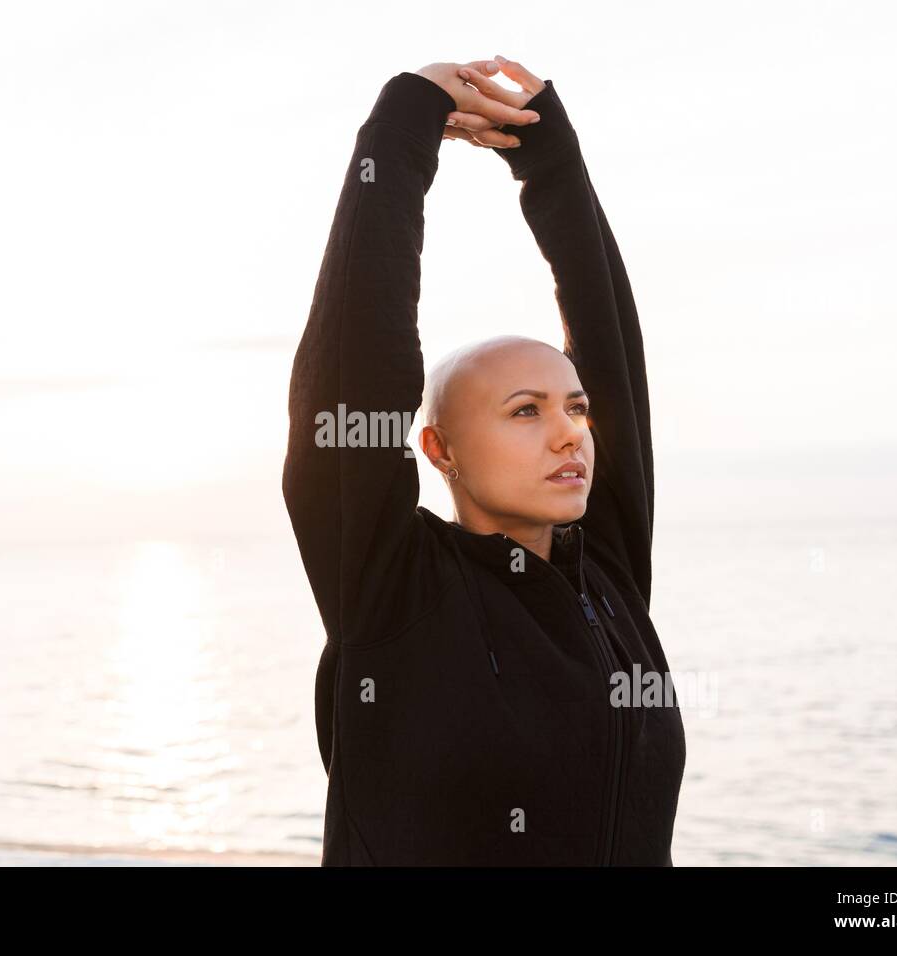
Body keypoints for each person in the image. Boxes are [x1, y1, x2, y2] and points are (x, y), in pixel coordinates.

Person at [282, 56, 686, 865]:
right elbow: (353, 366)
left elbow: (612, 356)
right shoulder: (389, 590)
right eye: (524, 412)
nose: (570, 433)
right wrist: (403, 130)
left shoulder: (605, 581)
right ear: (439, 449)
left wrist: (551, 163)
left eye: (574, 409)